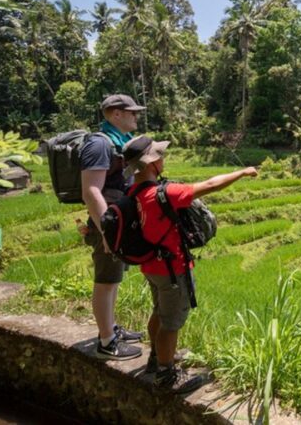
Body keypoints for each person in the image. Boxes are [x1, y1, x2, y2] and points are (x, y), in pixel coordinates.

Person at [122, 135, 258, 393]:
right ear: (152, 163)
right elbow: (211, 184)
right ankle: (166, 374)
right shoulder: (164, 194)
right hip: (172, 270)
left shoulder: (134, 192)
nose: (163, 158)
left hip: (151, 267)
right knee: (171, 323)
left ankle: (155, 359)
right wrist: (242, 171)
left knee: (159, 312)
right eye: (159, 155)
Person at [81, 94, 146, 360]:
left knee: (114, 279)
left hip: (118, 221)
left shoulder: (118, 143)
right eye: (131, 112)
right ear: (116, 114)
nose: (136, 116)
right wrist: (107, 231)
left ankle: (111, 329)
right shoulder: (99, 144)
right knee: (106, 281)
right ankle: (107, 342)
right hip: (107, 224)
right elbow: (91, 191)